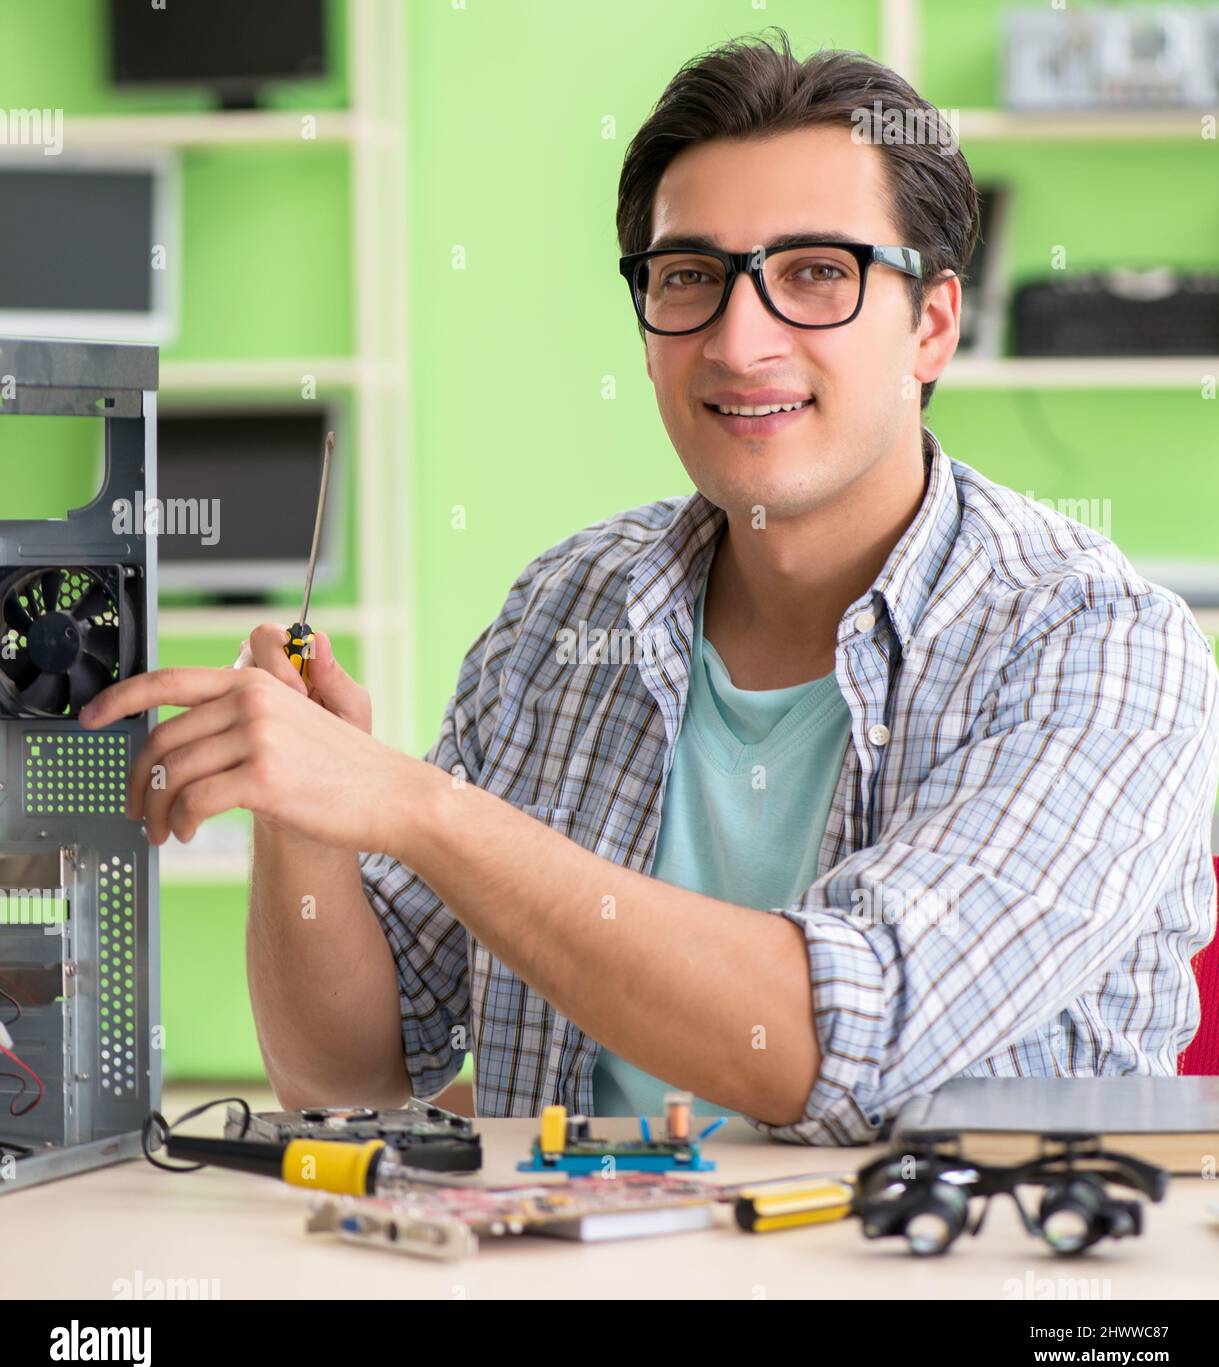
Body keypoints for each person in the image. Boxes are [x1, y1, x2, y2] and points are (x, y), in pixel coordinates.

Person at [82, 32, 1219, 1145]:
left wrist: (416, 807)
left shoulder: (1100, 643)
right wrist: (309, 817)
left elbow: (832, 1046)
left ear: (931, 323)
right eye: (690, 279)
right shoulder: (563, 613)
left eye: (815, 273)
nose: (740, 337)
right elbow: (347, 1077)